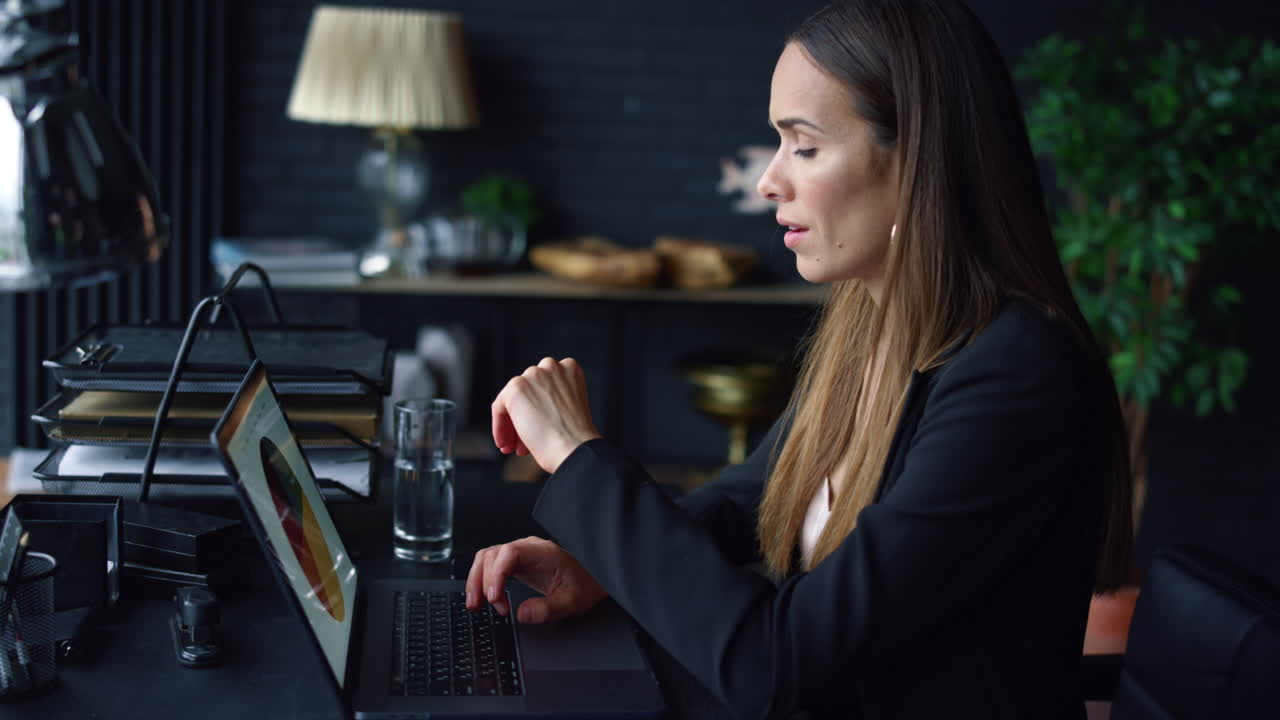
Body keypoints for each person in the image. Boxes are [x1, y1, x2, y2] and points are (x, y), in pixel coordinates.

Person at [466, 1, 1134, 718]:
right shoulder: (870, 326)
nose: (769, 181)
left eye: (804, 147)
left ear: (917, 164)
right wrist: (601, 567)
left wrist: (577, 456)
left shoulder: (1018, 376)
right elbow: (744, 499)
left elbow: (778, 664)